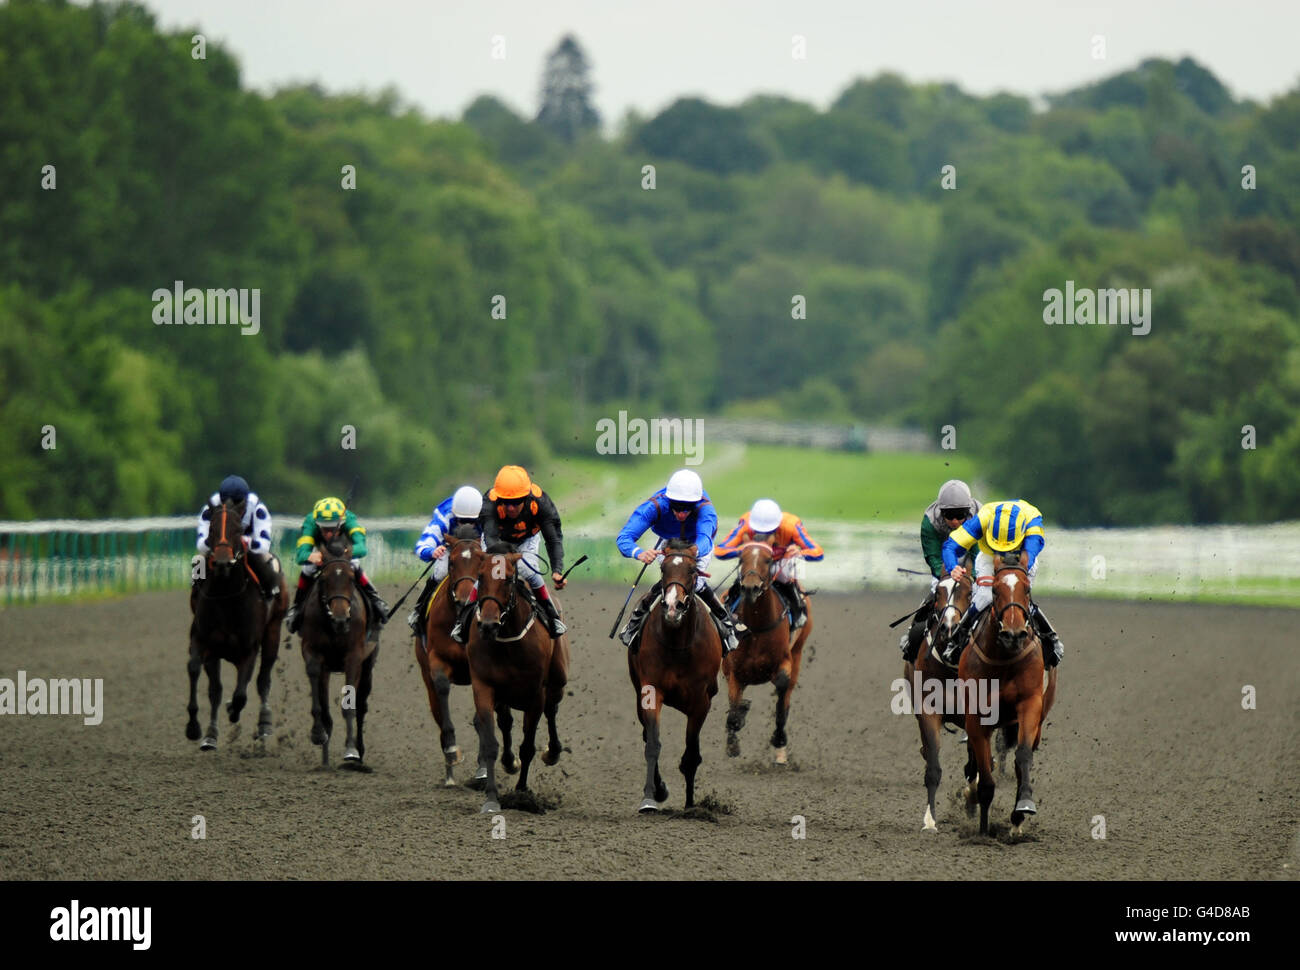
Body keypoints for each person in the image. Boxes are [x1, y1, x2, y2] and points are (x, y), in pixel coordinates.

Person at [615, 468, 742, 653]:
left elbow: (705, 539)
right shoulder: (655, 506)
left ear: (696, 502)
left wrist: (691, 553)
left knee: (697, 582)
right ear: (669, 499)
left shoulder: (705, 510)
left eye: (688, 507)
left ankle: (726, 623)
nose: (682, 513)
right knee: (671, 578)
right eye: (676, 506)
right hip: (669, 541)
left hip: (696, 544)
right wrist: (639, 553)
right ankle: (635, 620)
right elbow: (624, 538)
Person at [938, 499, 1064, 667]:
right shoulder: (983, 518)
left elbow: (1032, 551)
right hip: (990, 557)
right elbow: (950, 546)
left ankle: (1051, 638)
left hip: (1022, 556)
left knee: (1018, 596)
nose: (1003, 549)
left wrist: (1021, 569)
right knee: (984, 597)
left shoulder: (1032, 520)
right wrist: (952, 566)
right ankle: (956, 640)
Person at [450, 466, 567, 642]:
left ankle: (552, 617)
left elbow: (553, 539)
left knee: (529, 572)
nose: (511, 508)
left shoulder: (541, 503)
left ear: (526, 497)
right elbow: (490, 537)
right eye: (506, 502)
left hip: (527, 540)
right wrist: (503, 561)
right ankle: (463, 621)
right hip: (497, 542)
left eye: (516, 502)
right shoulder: (490, 502)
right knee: (490, 574)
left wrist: (557, 570)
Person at [898, 479, 980, 662]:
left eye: (960, 515)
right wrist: (946, 572)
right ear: (941, 512)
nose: (955, 521)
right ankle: (913, 639)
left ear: (968, 511)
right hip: (943, 564)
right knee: (932, 599)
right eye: (949, 516)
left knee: (991, 597)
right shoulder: (930, 521)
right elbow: (933, 557)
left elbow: (978, 555)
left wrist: (971, 577)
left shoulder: (979, 517)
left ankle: (1043, 637)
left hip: (975, 562)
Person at [285, 497, 389, 635]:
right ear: (317, 524)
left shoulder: (349, 519)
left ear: (341, 524)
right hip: (321, 552)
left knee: (354, 564)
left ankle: (375, 599)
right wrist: (311, 556)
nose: (329, 533)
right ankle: (297, 607)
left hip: (344, 551)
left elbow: (362, 548)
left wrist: (343, 554)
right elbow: (301, 554)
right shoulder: (310, 522)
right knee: (308, 568)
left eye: (333, 528)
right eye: (324, 529)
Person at [715, 498, 822, 630]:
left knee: (787, 575)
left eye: (769, 531)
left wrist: (799, 553)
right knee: (746, 573)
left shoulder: (791, 525)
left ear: (778, 525)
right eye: (758, 530)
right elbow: (720, 550)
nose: (763, 535)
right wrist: (744, 551)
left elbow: (818, 552)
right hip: (756, 562)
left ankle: (797, 608)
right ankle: (729, 606)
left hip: (781, 561)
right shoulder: (746, 523)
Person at [407, 485, 486, 638]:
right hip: (451, 547)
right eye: (462, 520)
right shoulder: (444, 516)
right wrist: (432, 551)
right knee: (440, 572)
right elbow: (424, 543)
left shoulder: (486, 516)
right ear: (454, 515)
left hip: (478, 548)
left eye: (471, 521)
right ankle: (419, 611)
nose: (467, 524)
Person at [195, 475, 281, 598]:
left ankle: (271, 593)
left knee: (270, 561)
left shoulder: (258, 508)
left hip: (248, 545)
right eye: (226, 503)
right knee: (198, 560)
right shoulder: (210, 508)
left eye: (237, 505)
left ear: (245, 502)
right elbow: (201, 545)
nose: (232, 508)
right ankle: (196, 594)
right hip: (220, 545)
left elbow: (263, 546)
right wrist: (220, 542)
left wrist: (242, 541)